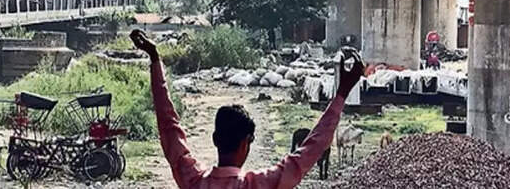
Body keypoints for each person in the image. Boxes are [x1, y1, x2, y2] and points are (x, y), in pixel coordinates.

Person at [131, 29, 364, 189]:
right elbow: (309, 151)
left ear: (215, 139)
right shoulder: (260, 184)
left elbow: (169, 127)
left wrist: (155, 59)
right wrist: (341, 93)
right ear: (246, 143)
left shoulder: (194, 181)